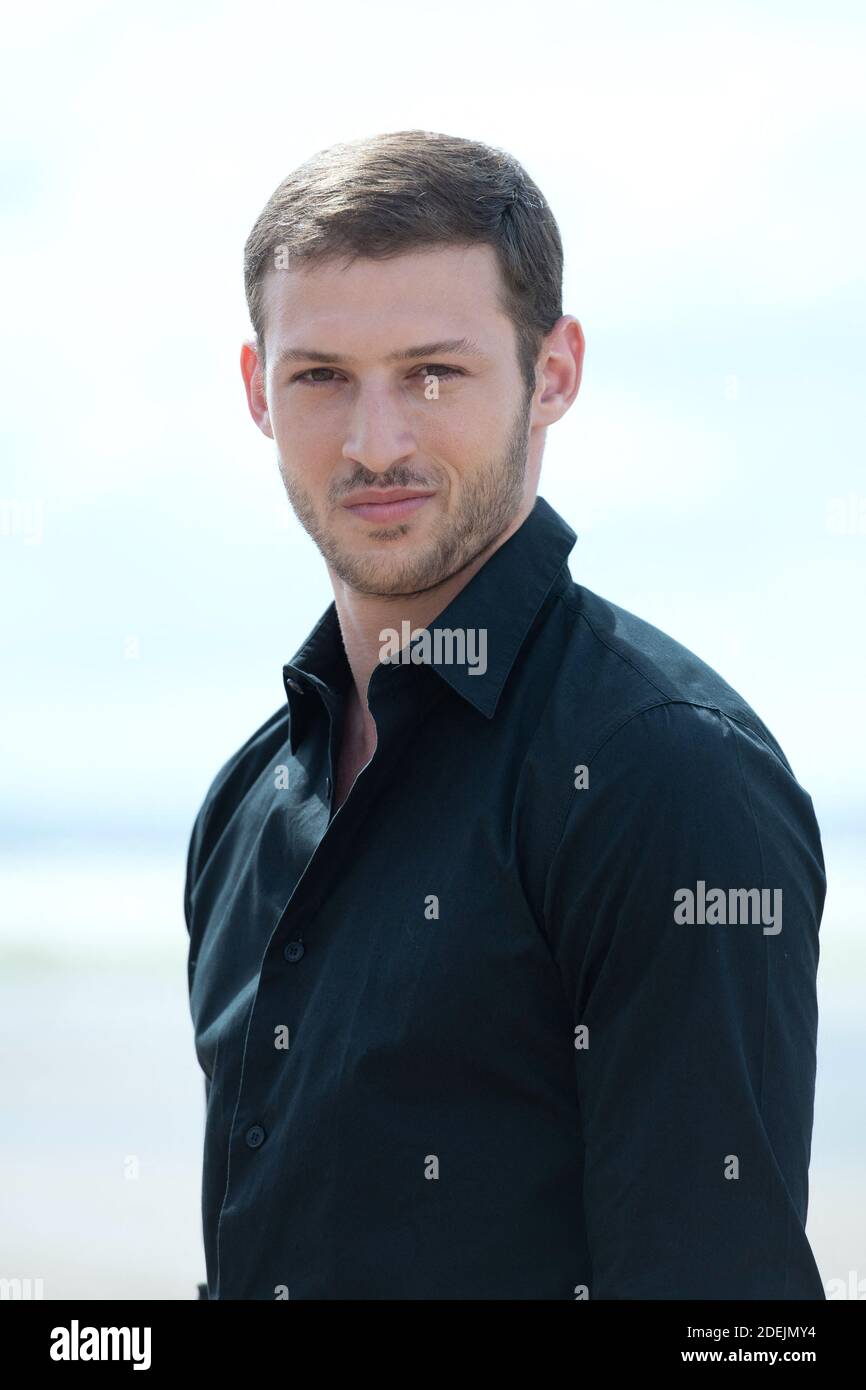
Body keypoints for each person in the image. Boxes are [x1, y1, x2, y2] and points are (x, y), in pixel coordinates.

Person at [184, 130, 825, 1300]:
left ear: (555, 370)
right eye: (320, 375)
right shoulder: (249, 803)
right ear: (254, 391)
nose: (375, 442)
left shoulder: (666, 779)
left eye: (433, 371)